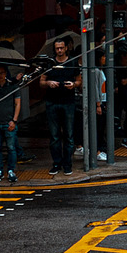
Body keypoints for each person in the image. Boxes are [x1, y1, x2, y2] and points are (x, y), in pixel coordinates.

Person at [39, 38, 81, 174]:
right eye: (57, 48)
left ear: (66, 48)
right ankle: (56, 163)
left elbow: (79, 80)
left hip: (68, 102)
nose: (59, 50)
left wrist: (73, 85)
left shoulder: (73, 61)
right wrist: (49, 83)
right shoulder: (49, 63)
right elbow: (41, 81)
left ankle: (67, 164)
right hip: (52, 102)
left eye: (62, 48)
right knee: (54, 136)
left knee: (68, 135)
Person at [0, 63, 22, 184]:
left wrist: (14, 120)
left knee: (11, 148)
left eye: (2, 73)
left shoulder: (12, 86)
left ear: (6, 74)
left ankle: (11, 170)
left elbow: (18, 104)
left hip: (9, 122)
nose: (0, 75)